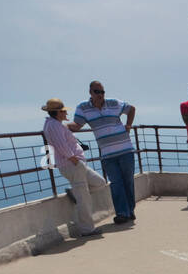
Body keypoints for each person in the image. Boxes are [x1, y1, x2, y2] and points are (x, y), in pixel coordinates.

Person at [70, 80, 137, 224]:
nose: (100, 95)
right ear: (90, 92)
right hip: (107, 154)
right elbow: (76, 125)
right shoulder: (83, 108)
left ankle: (130, 211)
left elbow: (131, 109)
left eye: (102, 92)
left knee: (128, 182)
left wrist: (129, 125)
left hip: (125, 150)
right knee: (116, 183)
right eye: (97, 92)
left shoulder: (113, 103)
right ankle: (122, 213)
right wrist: (58, 124)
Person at [41, 98, 107, 236]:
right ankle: (87, 229)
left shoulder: (55, 124)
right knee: (84, 199)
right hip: (72, 165)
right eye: (64, 111)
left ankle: (74, 193)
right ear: (58, 112)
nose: (66, 113)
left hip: (76, 164)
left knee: (100, 182)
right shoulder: (54, 126)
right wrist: (73, 159)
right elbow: (61, 145)